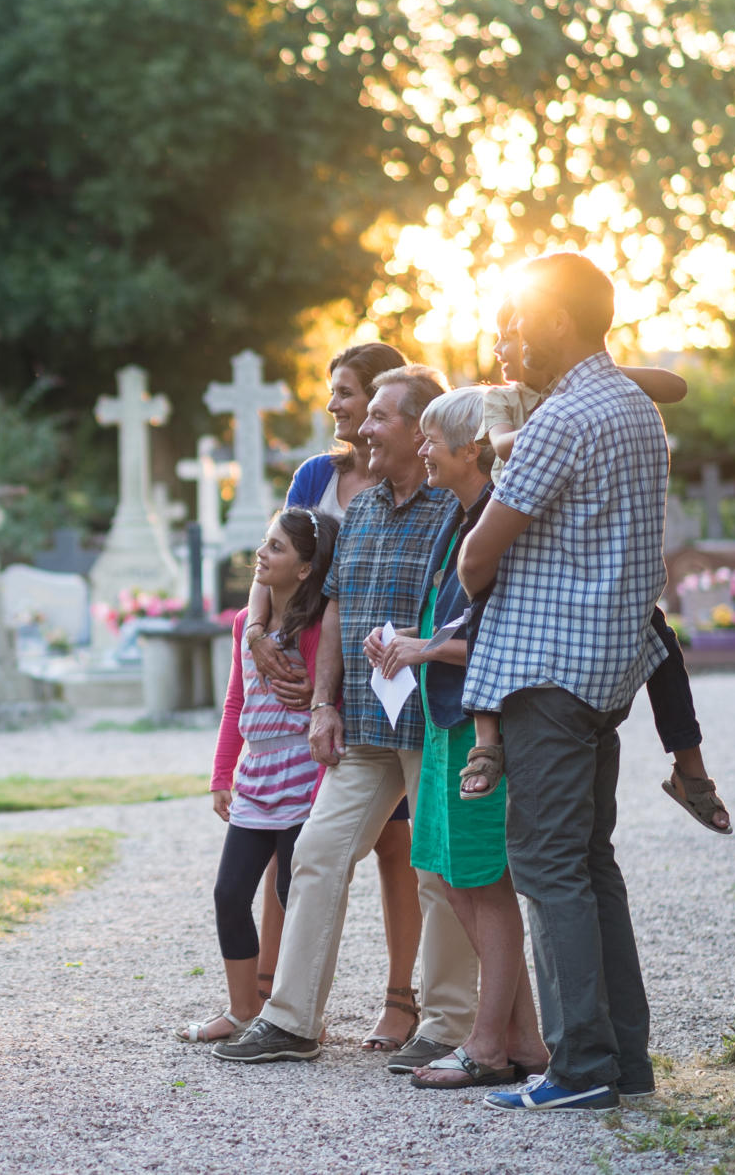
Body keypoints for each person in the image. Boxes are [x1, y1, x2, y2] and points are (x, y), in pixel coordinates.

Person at [215, 365, 478, 1070]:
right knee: (317, 854)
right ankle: (292, 1019)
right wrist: (324, 704)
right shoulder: (356, 512)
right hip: (361, 727)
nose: (362, 428)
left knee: (435, 871)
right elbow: (331, 611)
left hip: (431, 722)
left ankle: (447, 1024)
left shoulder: (454, 512)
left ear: (421, 429)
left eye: (379, 418)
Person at [458, 253, 668, 1112]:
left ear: (556, 320)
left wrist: (479, 554)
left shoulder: (562, 419)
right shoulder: (633, 407)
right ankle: (624, 1060)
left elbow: (476, 560)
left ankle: (579, 1068)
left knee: (547, 865)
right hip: (608, 668)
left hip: (547, 673)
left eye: (518, 317)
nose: (509, 334)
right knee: (589, 862)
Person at [467, 307, 731, 835]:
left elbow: (673, 385)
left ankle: (690, 765)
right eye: (499, 339)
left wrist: (597, 378)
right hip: (505, 505)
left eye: (516, 335)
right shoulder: (511, 399)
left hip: (568, 648)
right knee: (483, 618)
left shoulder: (575, 401)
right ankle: (485, 745)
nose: (504, 348)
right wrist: (556, 412)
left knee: (663, 645)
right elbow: (499, 448)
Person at [366, 387, 549, 1090]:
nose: (421, 450)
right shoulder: (458, 518)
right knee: (449, 877)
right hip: (447, 722)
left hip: (483, 733)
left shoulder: (495, 523)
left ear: (471, 448)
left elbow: (499, 640)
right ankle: (525, 1041)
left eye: (432, 440)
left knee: (483, 884)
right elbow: (457, 626)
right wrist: (412, 643)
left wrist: (423, 652)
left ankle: (485, 1046)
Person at [243, 341, 424, 1052]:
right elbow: (279, 556)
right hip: (323, 684)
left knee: (405, 852)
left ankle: (404, 1002)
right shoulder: (320, 475)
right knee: (305, 838)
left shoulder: (426, 489)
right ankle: (275, 1006)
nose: (336, 406)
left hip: (401, 689)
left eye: (348, 393)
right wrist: (259, 630)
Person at [177, 508, 337, 1045]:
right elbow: (235, 701)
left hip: (302, 777)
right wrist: (223, 773)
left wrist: (319, 794)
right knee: (229, 892)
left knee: (297, 896)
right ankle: (243, 1009)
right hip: (256, 777)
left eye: (276, 548)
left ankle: (298, 1015)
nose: (261, 555)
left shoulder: (317, 628)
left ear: (305, 569)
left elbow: (325, 703)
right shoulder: (247, 627)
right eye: (264, 543)